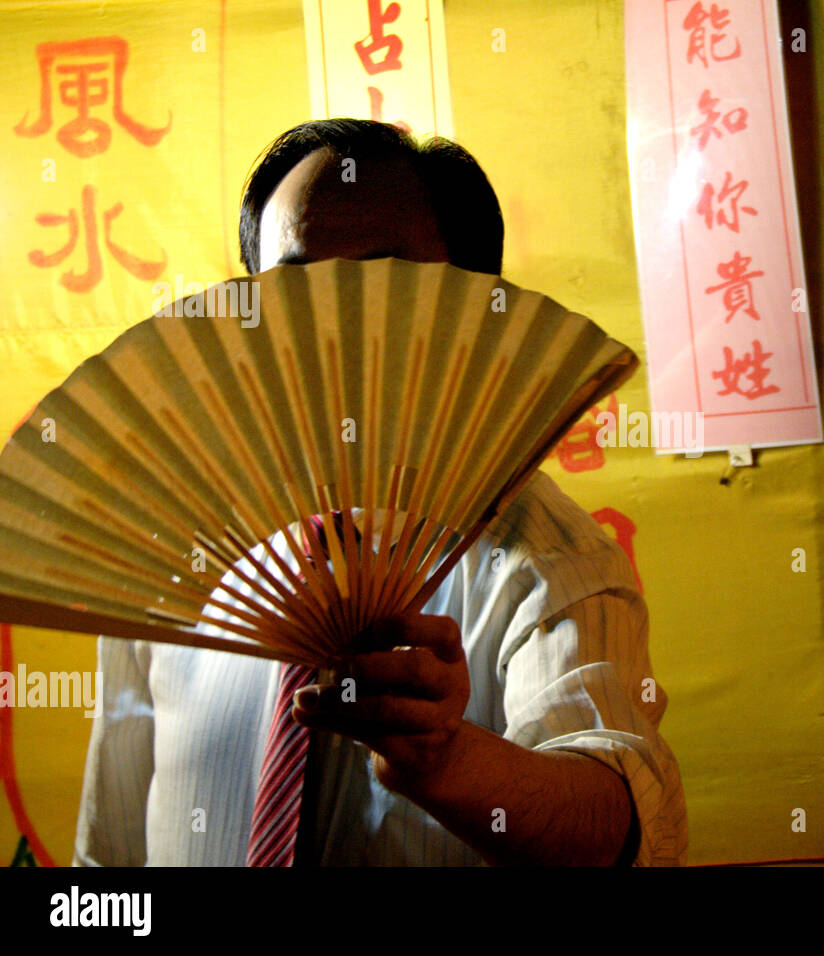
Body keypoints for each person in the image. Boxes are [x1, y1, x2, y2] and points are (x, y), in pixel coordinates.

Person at [73, 119, 687, 867]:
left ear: (474, 312)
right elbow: (107, 861)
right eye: (294, 289)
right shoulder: (174, 550)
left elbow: (621, 829)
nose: (336, 326)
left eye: (386, 284)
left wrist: (447, 760)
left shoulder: (544, 557)